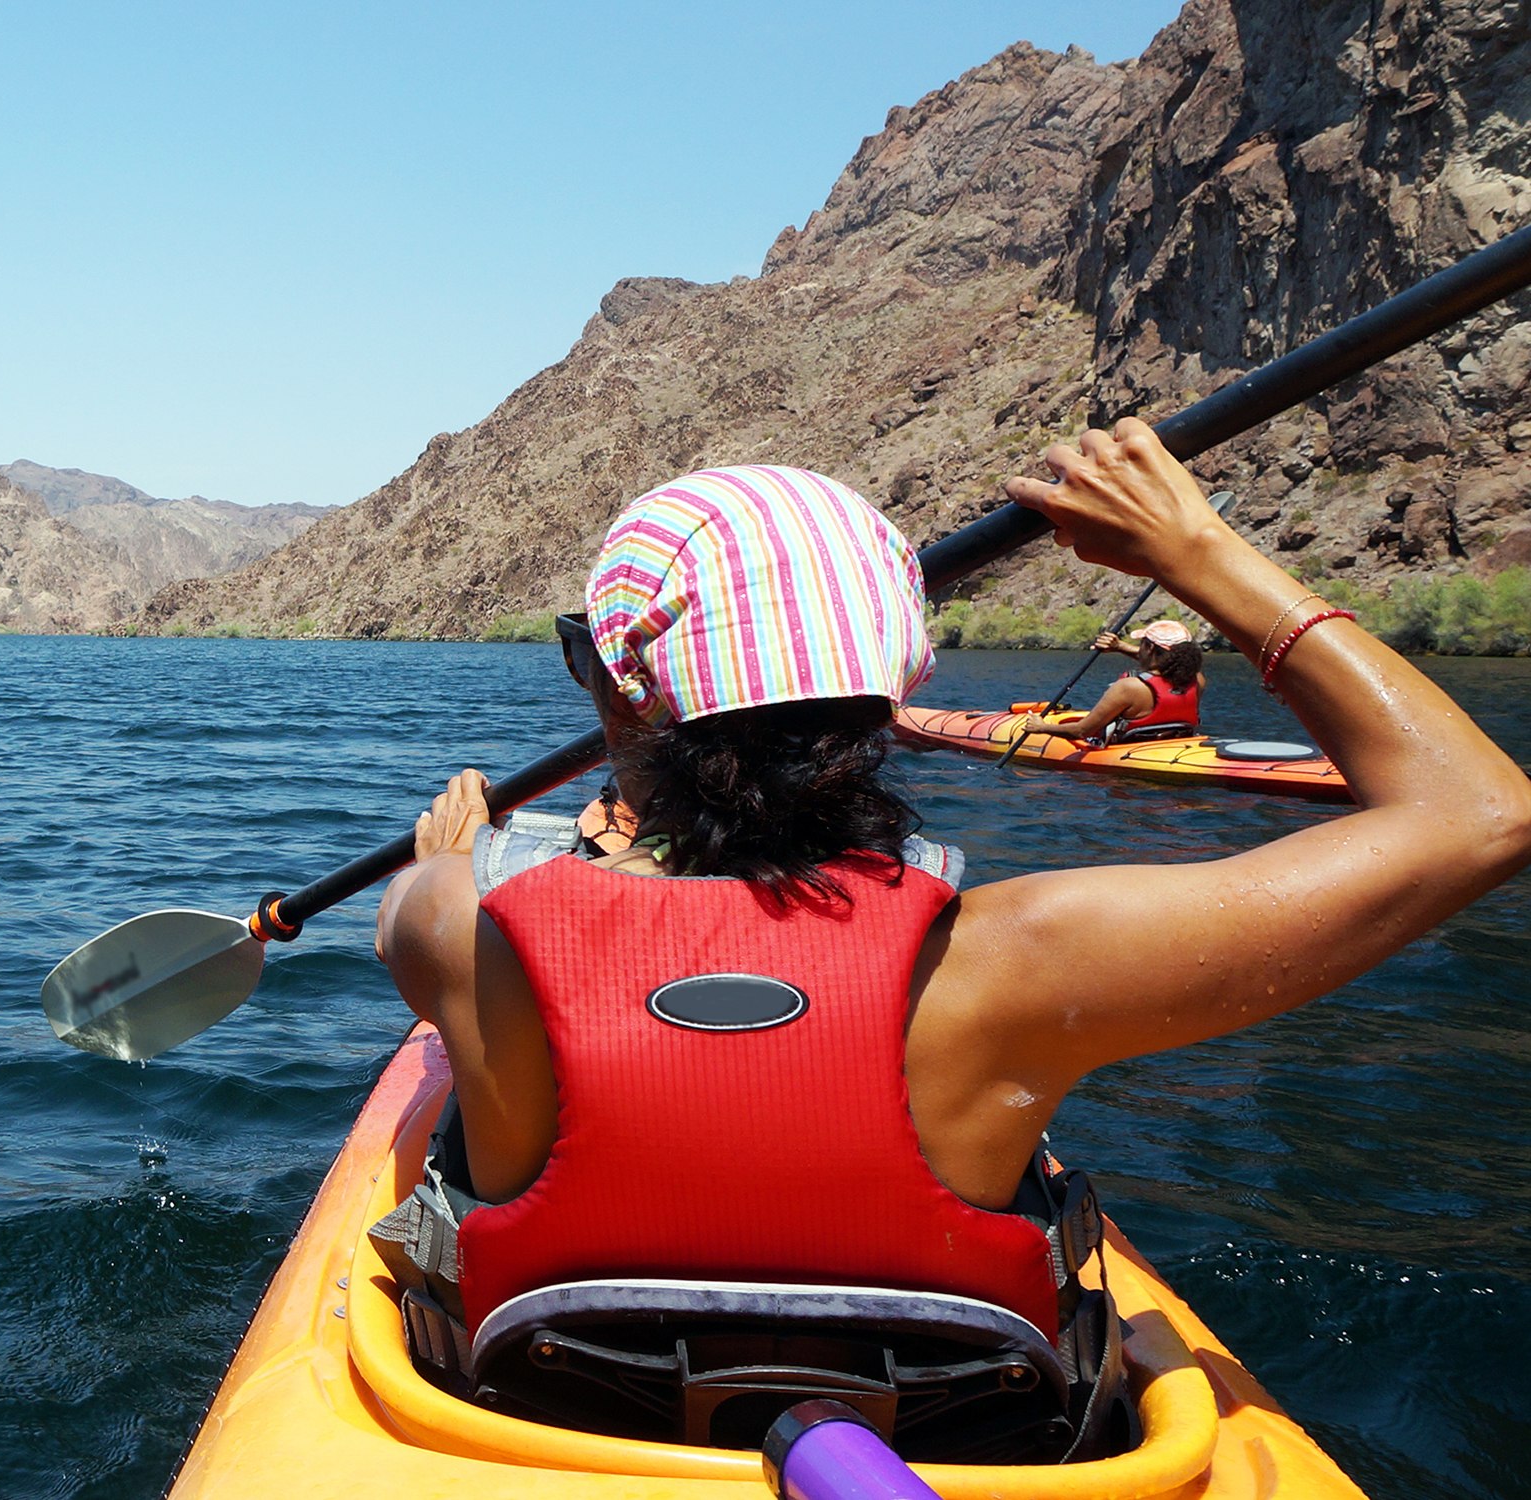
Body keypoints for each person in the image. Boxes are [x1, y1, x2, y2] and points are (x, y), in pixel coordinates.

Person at [369, 426, 1531, 1426]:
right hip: (970, 1438)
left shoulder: (456, 929)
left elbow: (426, 912)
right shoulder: (1027, 960)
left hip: (551, 1429)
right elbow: (1481, 815)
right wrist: (1200, 557)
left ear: (621, 689)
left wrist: (462, 857)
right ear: (894, 687)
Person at [1009, 617, 1207, 747]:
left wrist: (1041, 727)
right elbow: (1164, 666)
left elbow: (1083, 730)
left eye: (1142, 644)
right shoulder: (1197, 680)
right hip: (1176, 744)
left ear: (1150, 648)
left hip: (1128, 751)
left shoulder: (1129, 688)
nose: (1139, 648)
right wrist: (1119, 646)